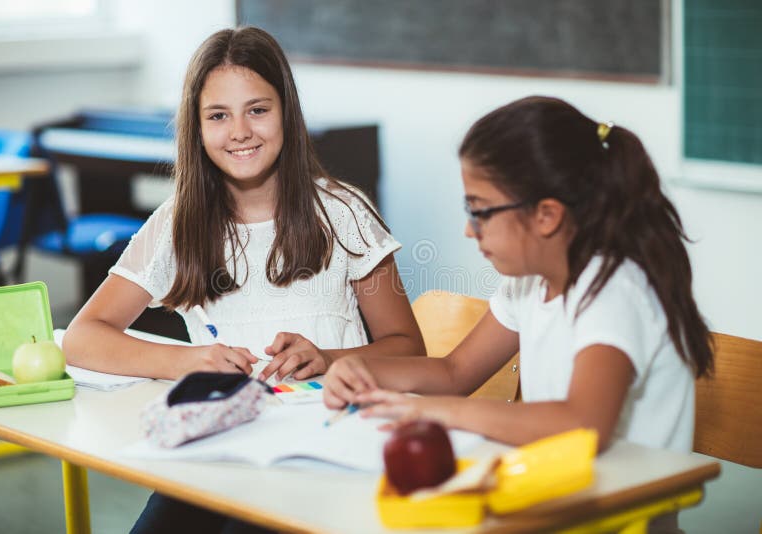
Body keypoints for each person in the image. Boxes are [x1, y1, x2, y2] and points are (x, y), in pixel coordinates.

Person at [62, 26, 425, 533]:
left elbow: (409, 348)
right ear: (197, 126)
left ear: (286, 113)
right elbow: (82, 336)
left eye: (258, 109)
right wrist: (189, 361)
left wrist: (328, 358)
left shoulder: (344, 213)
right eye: (218, 116)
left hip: (329, 448)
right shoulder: (176, 223)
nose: (240, 131)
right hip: (221, 446)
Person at [325, 95, 713, 458]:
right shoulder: (529, 282)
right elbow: (455, 372)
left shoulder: (613, 291)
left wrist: (438, 413)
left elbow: (584, 425)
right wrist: (364, 369)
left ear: (547, 215)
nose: (468, 229)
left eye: (480, 211)